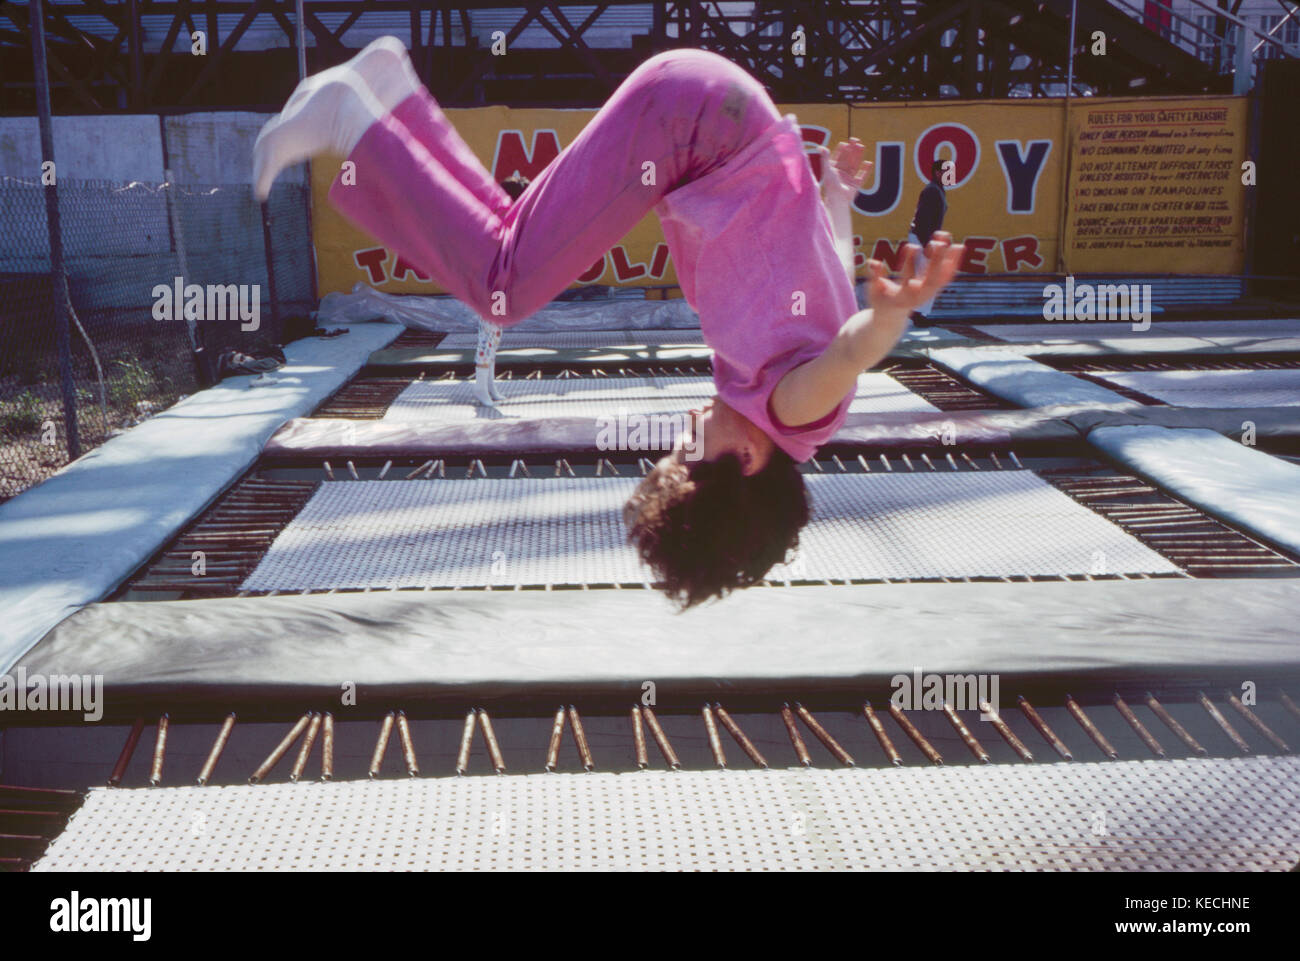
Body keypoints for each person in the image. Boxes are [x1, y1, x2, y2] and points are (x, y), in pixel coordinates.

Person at [253, 39, 963, 609]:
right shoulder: (789, 414)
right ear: (745, 462)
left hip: (710, 109)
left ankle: (393, 96)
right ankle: (356, 123)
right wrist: (891, 317)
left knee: (508, 249)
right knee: (501, 289)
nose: (685, 426)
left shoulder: (778, 390)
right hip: (694, 127)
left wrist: (837, 196)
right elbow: (848, 354)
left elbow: (830, 266)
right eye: (687, 449)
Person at [906, 158, 951, 325]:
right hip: (922, 237)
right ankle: (917, 313)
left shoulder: (937, 189)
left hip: (924, 237)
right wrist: (927, 244)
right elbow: (923, 220)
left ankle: (919, 313)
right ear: (938, 173)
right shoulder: (932, 190)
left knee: (928, 276)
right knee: (927, 276)